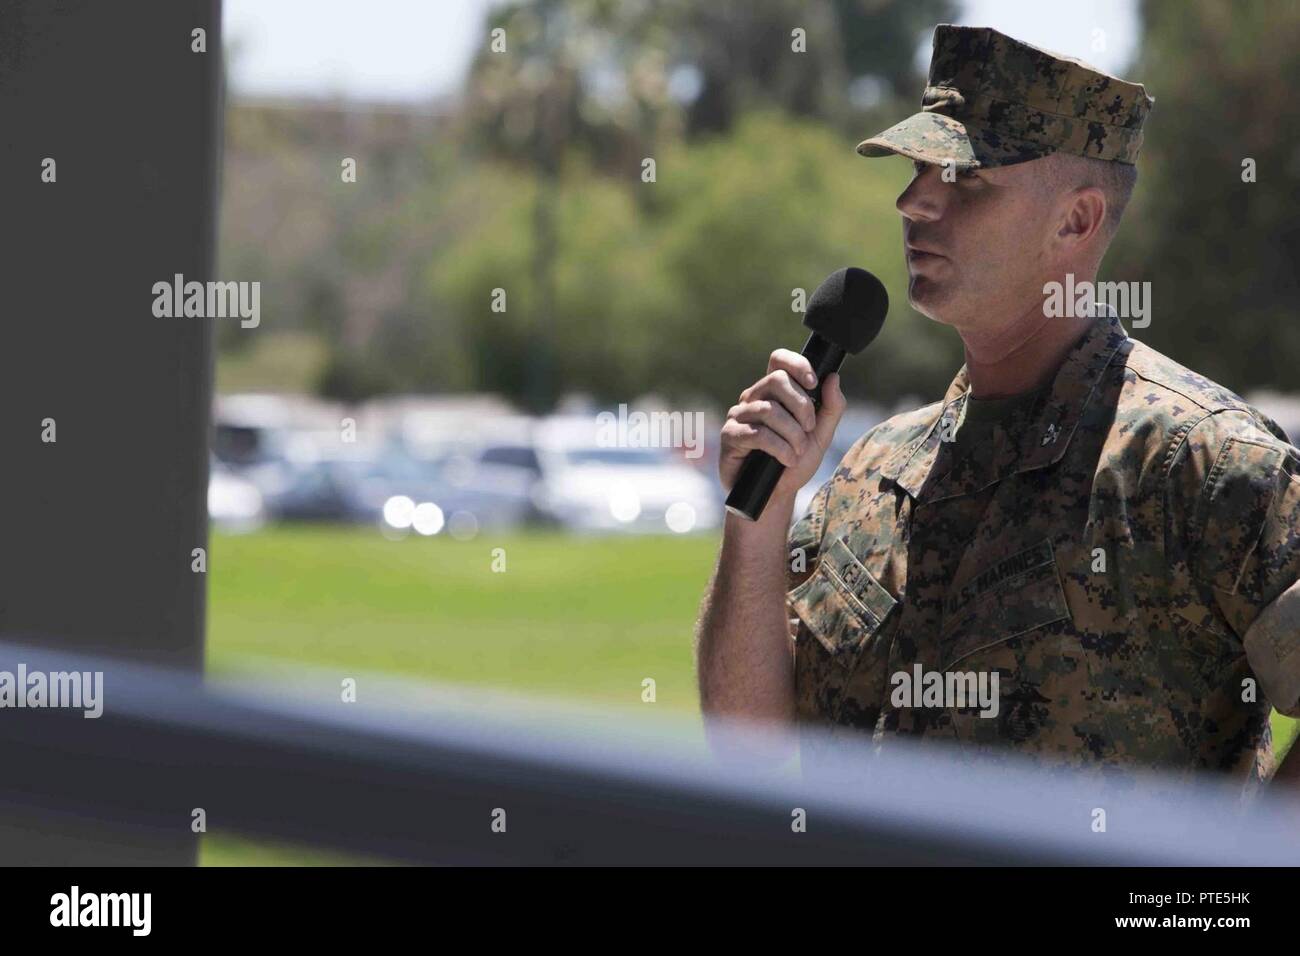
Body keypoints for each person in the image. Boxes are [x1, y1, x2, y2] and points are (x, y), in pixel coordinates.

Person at [694, 24, 1300, 795]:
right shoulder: (873, 470)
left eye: (966, 177)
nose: (913, 200)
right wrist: (758, 517)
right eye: (919, 167)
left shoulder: (1199, 465)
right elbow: (749, 748)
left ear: (1075, 222)